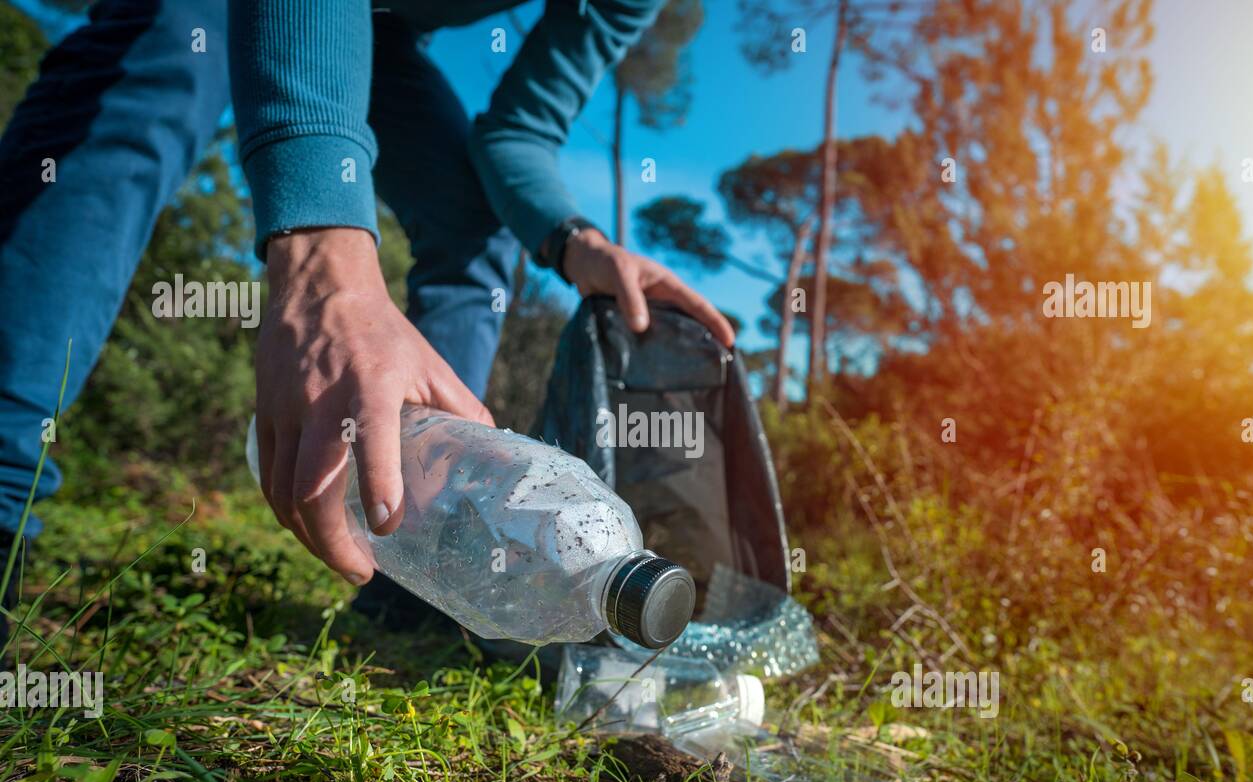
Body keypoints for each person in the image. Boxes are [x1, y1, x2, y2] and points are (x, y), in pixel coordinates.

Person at [0, 0, 732, 638]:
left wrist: (578, 243)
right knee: (166, 49)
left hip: (379, 32)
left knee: (470, 222)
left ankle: (417, 557)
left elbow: (519, 132)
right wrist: (322, 250)